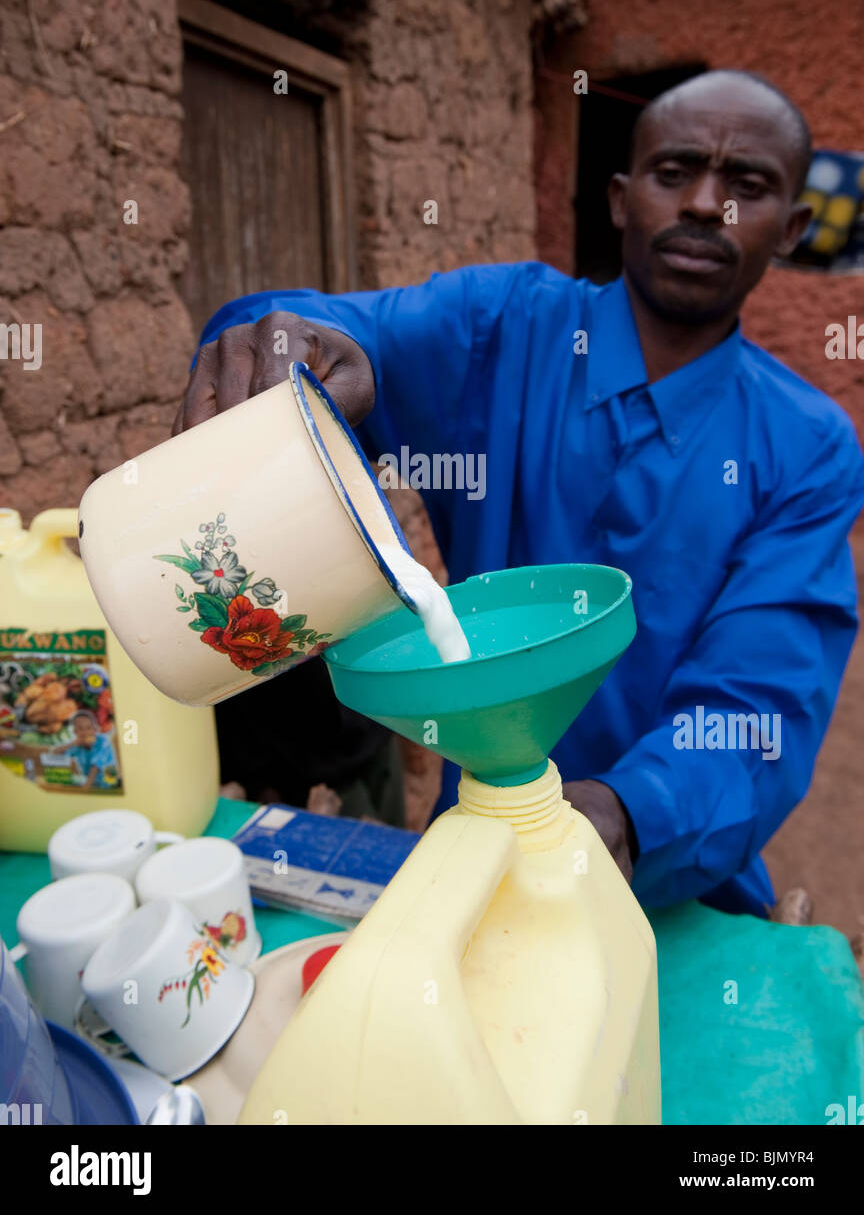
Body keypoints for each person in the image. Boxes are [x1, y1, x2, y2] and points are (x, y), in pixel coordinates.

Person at [174, 70, 864, 916]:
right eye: (674, 171)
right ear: (620, 198)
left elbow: (759, 699)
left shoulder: (806, 445)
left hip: (676, 885)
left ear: (792, 226)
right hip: (476, 847)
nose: (704, 205)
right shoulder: (500, 329)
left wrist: (630, 814)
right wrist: (287, 342)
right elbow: (356, 330)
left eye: (747, 185)